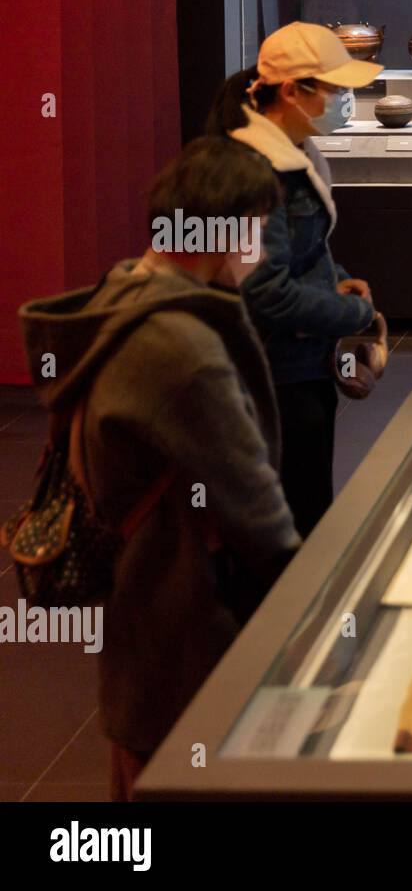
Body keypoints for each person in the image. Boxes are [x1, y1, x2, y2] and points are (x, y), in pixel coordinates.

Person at [17, 136, 302, 800]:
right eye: (256, 230)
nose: (258, 249)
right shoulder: (183, 347)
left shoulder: (123, 290)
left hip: (137, 632)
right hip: (191, 633)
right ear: (224, 230)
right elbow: (258, 515)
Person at [207, 22, 381, 537]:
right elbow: (263, 292)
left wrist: (339, 279)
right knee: (289, 520)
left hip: (301, 367)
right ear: (291, 91)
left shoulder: (295, 154)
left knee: (306, 506)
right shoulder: (254, 173)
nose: (342, 101)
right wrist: (356, 314)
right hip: (275, 375)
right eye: (333, 89)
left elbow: (305, 255)